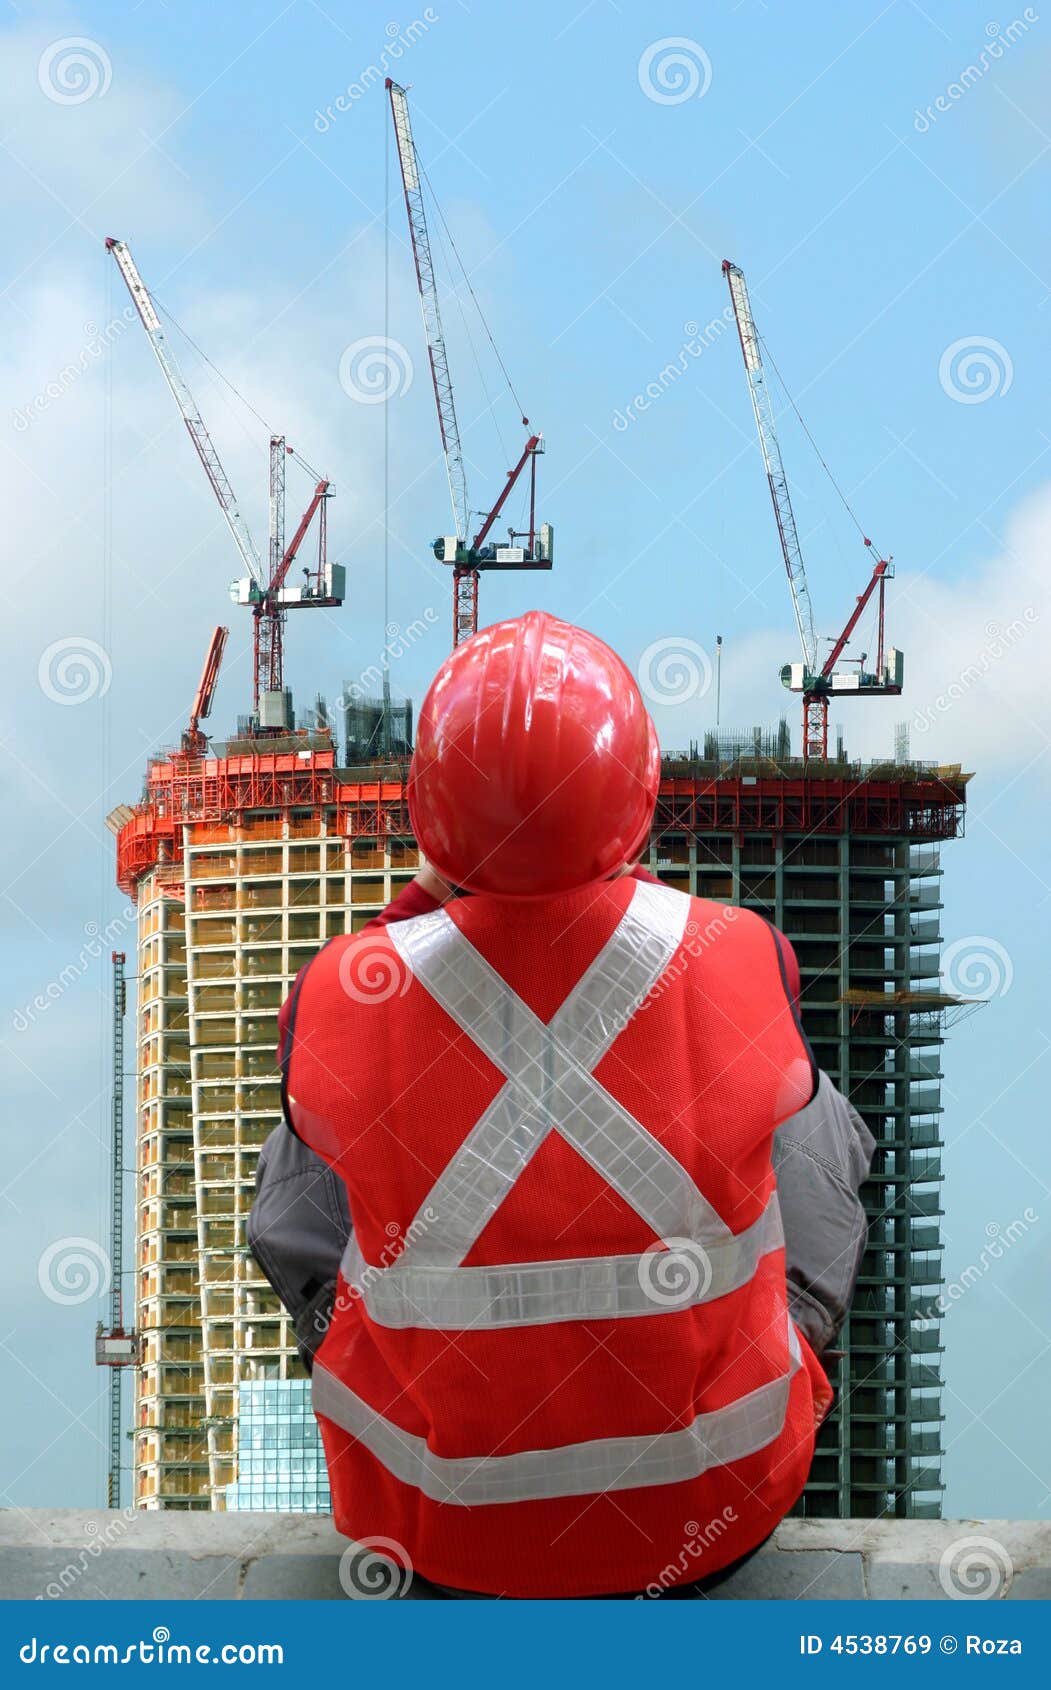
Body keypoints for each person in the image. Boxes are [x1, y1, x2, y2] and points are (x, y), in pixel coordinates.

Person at [250, 610, 873, 1599]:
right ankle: (778, 1349)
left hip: (432, 1524)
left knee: (311, 1127)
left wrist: (432, 891)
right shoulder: (741, 955)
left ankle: (394, 1378)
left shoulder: (339, 990)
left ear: (426, 809)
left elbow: (288, 1222)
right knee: (805, 1110)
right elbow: (811, 1171)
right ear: (639, 792)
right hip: (710, 1508)